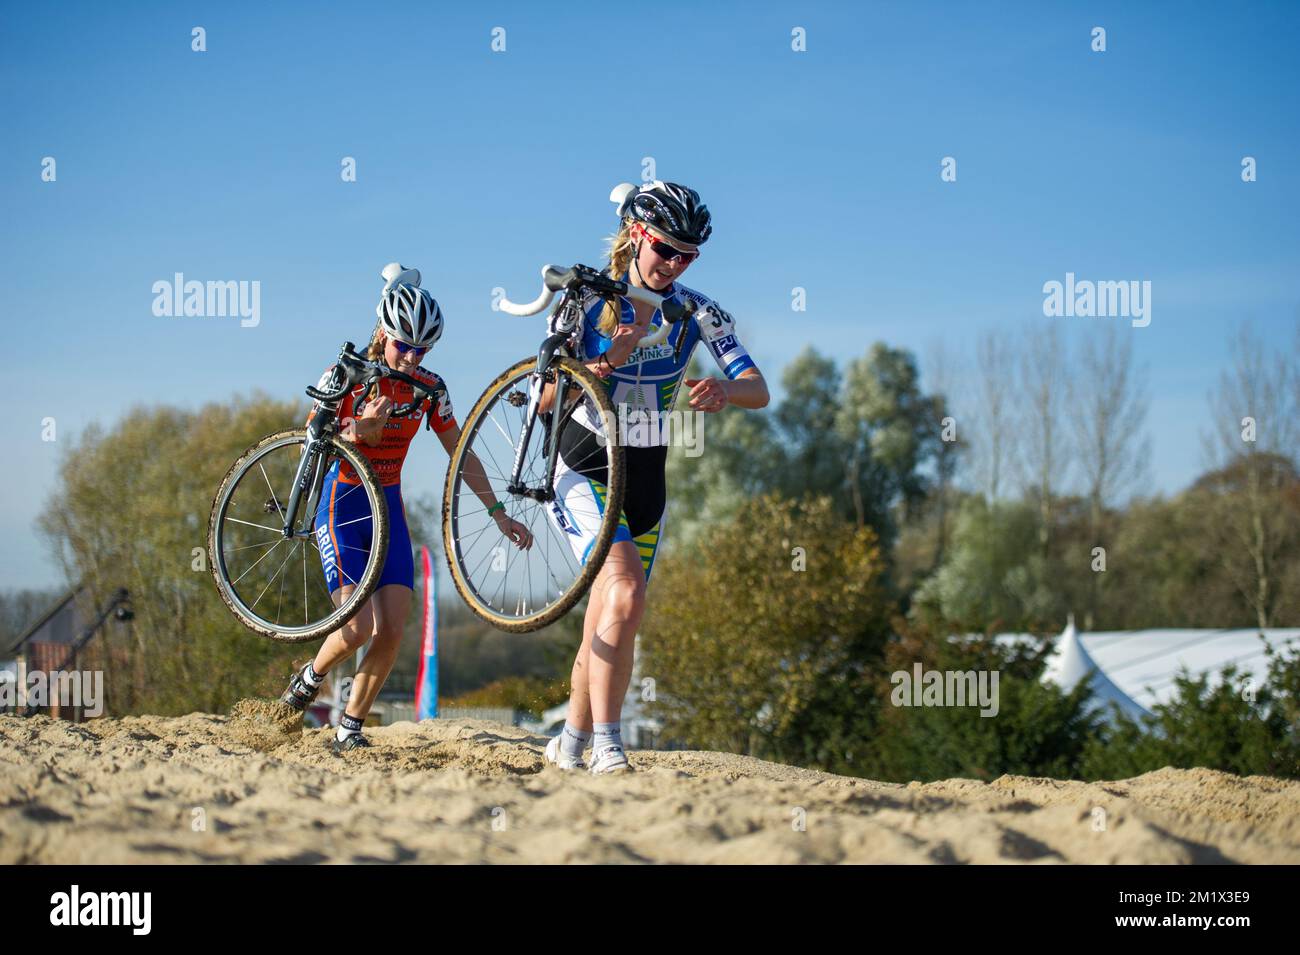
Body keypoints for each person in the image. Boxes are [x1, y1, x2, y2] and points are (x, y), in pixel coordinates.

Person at [542, 181, 769, 774]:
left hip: (647, 472)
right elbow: (544, 396)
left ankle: (569, 742)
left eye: (688, 256)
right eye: (667, 249)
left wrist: (725, 389)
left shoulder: (695, 310)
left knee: (615, 610)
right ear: (637, 235)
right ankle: (610, 749)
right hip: (584, 460)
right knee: (625, 590)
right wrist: (613, 356)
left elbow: (759, 389)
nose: (675, 264)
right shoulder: (590, 298)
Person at [280, 264, 532, 752]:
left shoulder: (429, 389)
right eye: (403, 345)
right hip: (344, 498)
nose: (411, 356)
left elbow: (460, 453)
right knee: (356, 628)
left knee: (393, 625)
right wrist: (358, 431)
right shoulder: (346, 373)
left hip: (388, 503)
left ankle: (349, 728)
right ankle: (309, 679)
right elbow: (309, 441)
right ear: (382, 333)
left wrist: (497, 512)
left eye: (422, 349)